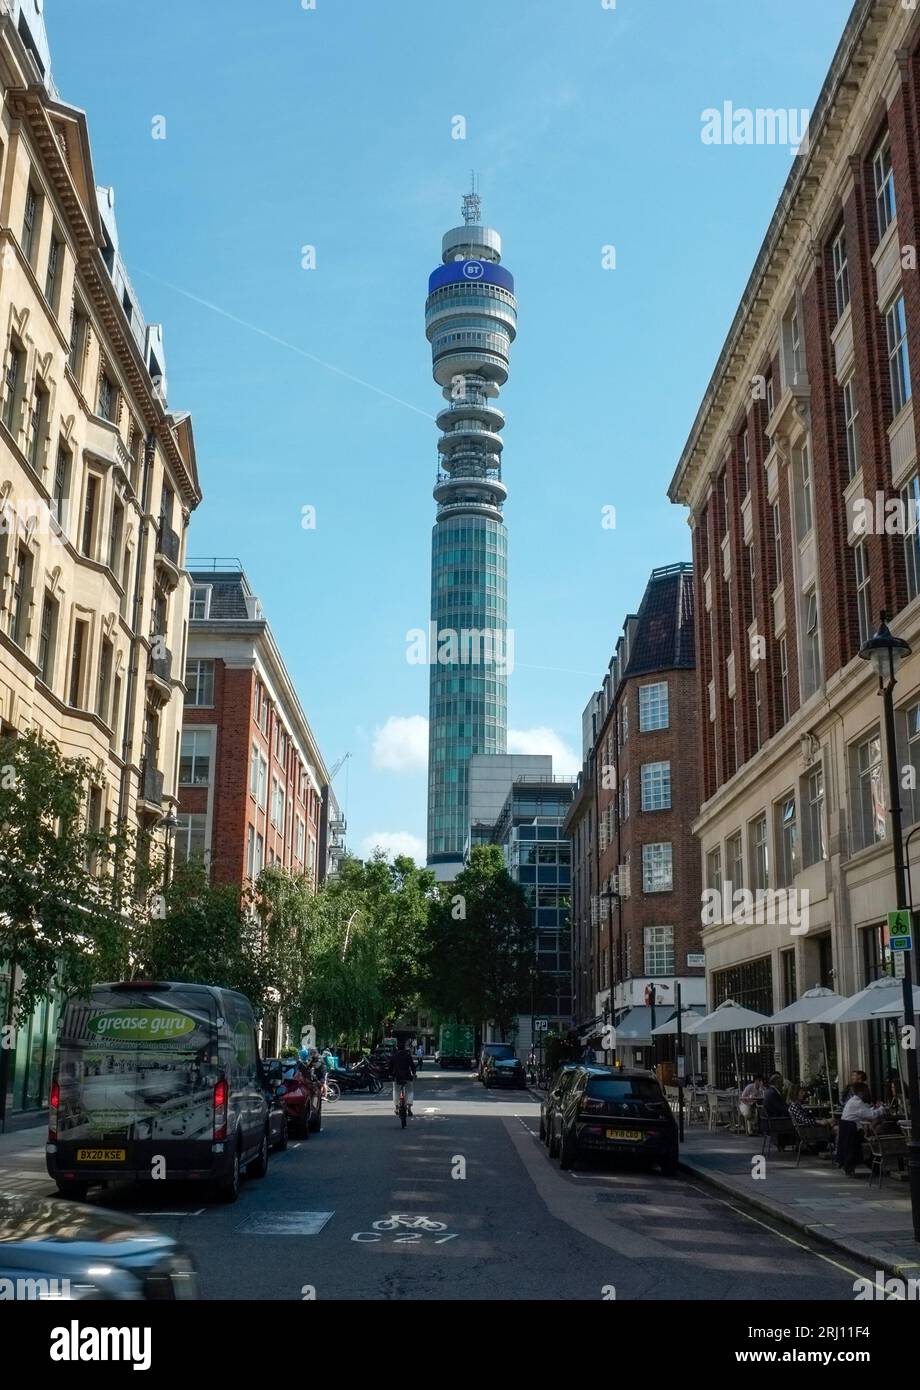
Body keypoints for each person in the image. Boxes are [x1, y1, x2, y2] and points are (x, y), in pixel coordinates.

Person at [836, 1082, 886, 1175]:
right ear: (861, 1092)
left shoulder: (852, 1101)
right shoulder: (857, 1102)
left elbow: (863, 1112)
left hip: (848, 1131)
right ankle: (872, 1163)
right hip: (853, 1133)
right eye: (866, 1091)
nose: (868, 1093)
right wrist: (882, 1108)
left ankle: (871, 1163)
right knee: (876, 1142)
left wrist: (874, 1108)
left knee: (872, 1139)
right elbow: (871, 1115)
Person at [762, 1073, 792, 1150]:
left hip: (772, 1120)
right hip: (777, 1121)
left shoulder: (770, 1091)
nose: (783, 1085)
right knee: (798, 1121)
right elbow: (781, 1108)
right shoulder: (773, 1093)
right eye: (781, 1082)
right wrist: (791, 1108)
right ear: (777, 1083)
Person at [390, 1038, 417, 1116]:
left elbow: (390, 1067)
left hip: (396, 1077)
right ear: (404, 1048)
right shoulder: (408, 1055)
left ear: (397, 1048)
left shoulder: (394, 1056)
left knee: (396, 1091)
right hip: (407, 1076)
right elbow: (412, 1066)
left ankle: (396, 1107)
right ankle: (409, 1107)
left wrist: (390, 1074)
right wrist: (414, 1074)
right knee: (410, 1091)